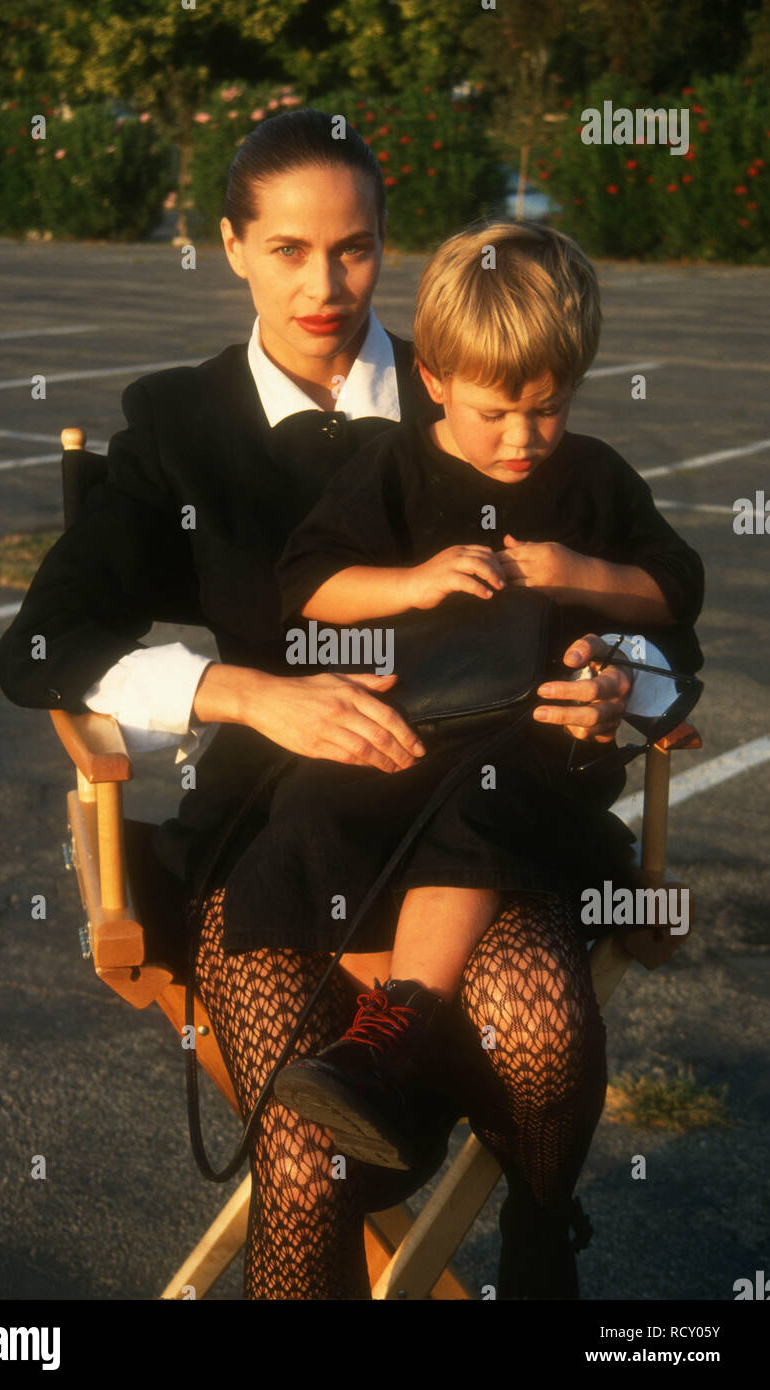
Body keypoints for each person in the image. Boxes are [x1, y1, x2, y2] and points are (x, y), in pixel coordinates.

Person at [0, 110, 666, 1300]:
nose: (324, 286)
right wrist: (246, 693)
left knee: (544, 1034)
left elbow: (626, 606)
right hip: (274, 825)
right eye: (289, 250)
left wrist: (614, 678)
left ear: (384, 245)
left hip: (482, 813)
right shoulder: (178, 426)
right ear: (231, 248)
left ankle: (541, 1240)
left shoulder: (478, 383)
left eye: (353, 249)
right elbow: (41, 646)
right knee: (308, 1156)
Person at [219, 222, 703, 1177]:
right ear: (433, 379)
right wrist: (412, 582)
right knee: (310, 808)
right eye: (494, 412)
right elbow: (308, 585)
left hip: (537, 749)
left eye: (548, 409)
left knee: (477, 803)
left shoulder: (595, 479)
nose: (522, 439)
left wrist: (578, 573)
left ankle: (392, 1041)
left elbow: (674, 591)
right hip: (412, 727)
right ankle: (395, 1063)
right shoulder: (392, 469)